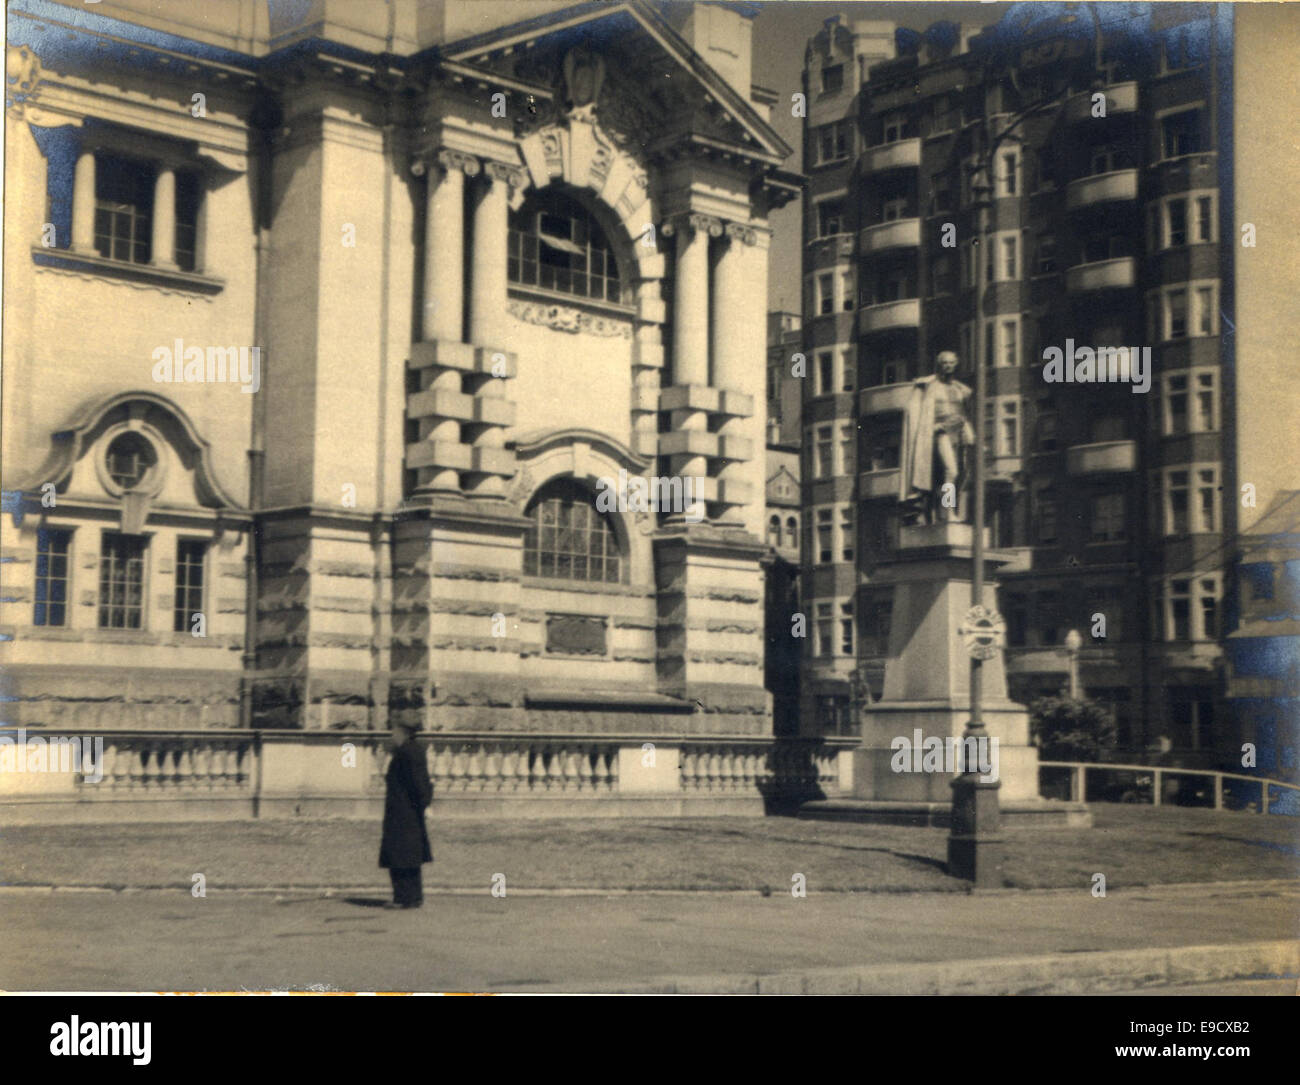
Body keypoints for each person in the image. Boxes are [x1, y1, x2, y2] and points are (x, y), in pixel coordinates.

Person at [898, 350, 975, 524]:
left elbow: (964, 413)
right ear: (939, 365)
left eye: (951, 362)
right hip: (939, 432)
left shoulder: (960, 390)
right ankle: (948, 511)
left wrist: (970, 434)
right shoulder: (930, 386)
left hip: (958, 432)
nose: (948, 366)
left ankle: (943, 511)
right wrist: (930, 427)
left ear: (956, 364)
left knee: (961, 473)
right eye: (944, 363)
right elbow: (917, 411)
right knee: (951, 471)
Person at [378, 722, 433, 909]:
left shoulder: (406, 753)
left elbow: (418, 782)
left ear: (403, 733)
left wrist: (423, 802)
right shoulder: (412, 750)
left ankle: (403, 898)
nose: (391, 736)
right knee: (409, 856)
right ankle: (413, 896)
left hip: (403, 812)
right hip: (408, 812)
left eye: (394, 732)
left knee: (400, 856)